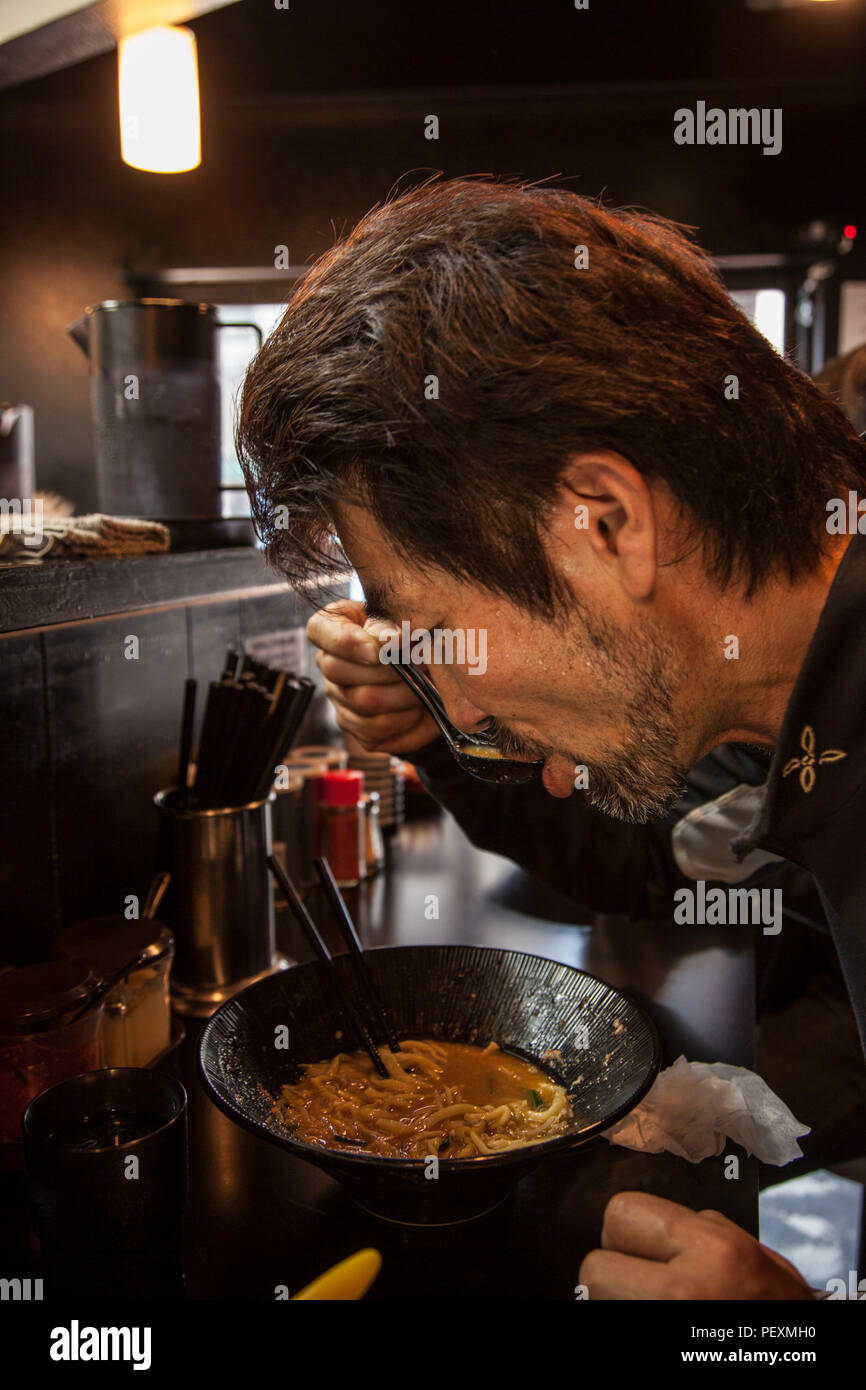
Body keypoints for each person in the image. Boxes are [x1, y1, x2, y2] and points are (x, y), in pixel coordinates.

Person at [236, 176, 866, 1299]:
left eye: (432, 627)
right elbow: (636, 848)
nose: (460, 707)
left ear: (603, 524)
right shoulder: (789, 712)